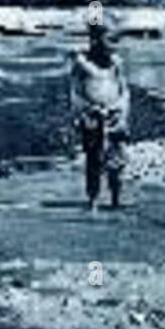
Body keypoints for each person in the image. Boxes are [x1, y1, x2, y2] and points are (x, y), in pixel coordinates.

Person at [70, 20, 131, 210]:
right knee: (93, 158)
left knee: (116, 159)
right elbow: (75, 92)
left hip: (114, 116)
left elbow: (124, 90)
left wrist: (120, 110)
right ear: (95, 40)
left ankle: (115, 197)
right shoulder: (82, 63)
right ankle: (93, 197)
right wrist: (86, 110)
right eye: (110, 40)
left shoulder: (116, 63)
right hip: (92, 117)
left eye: (116, 41)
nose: (114, 46)